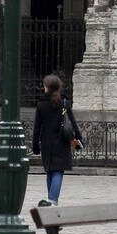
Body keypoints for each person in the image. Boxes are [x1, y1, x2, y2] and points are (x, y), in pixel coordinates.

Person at [32, 74, 82, 204]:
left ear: (46, 87)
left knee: (49, 170)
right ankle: (53, 200)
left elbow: (37, 127)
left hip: (46, 142)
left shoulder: (41, 104)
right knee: (58, 171)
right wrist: (78, 137)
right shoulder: (64, 103)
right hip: (62, 141)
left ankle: (51, 199)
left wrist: (35, 145)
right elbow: (72, 122)